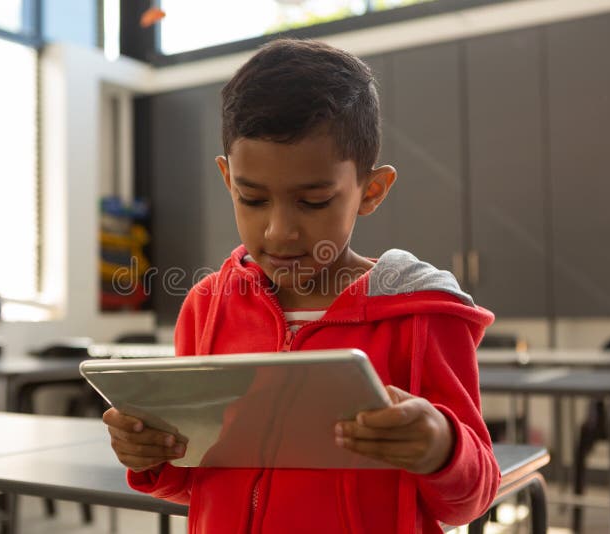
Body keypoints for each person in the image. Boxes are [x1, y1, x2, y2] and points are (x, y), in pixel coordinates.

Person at [104, 38, 499, 533]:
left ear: (370, 191)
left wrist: (442, 446)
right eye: (252, 199)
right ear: (228, 181)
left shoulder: (421, 315)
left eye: (313, 202)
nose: (279, 232)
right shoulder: (207, 307)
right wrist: (151, 455)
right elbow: (195, 481)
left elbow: (473, 496)